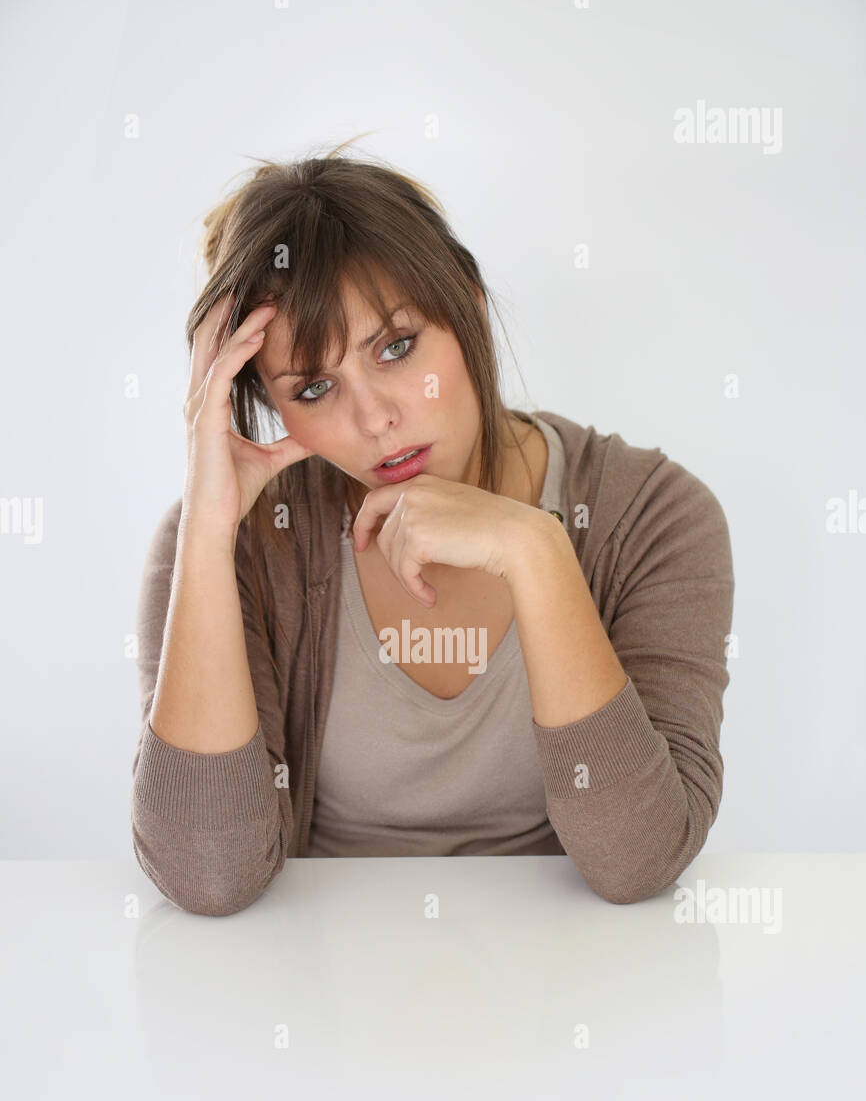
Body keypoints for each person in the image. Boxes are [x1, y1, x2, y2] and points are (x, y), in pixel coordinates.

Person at [131, 141, 734, 915]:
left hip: (572, 986)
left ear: (471, 307)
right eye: (315, 386)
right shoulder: (235, 543)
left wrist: (536, 550)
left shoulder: (652, 515)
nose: (376, 416)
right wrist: (211, 535)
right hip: (311, 991)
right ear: (270, 409)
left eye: (397, 347)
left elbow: (639, 860)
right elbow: (207, 877)